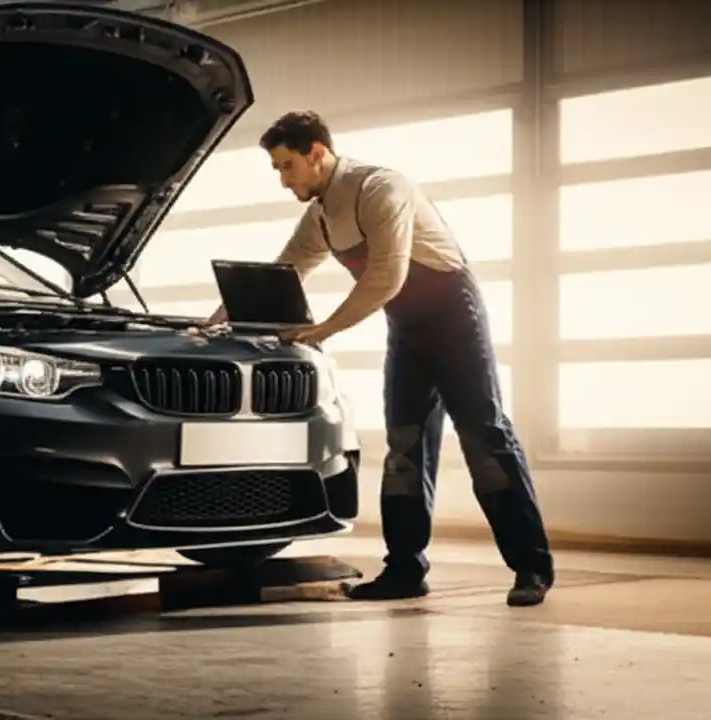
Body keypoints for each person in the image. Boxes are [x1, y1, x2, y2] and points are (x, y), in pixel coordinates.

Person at [204, 111, 554, 606]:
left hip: (454, 317)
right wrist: (216, 319)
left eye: (287, 167)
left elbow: (386, 276)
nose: (284, 180)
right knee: (404, 450)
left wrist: (324, 329)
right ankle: (406, 572)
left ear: (317, 154)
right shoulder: (322, 213)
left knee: (484, 441)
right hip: (407, 328)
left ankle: (532, 569)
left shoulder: (382, 188)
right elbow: (283, 271)